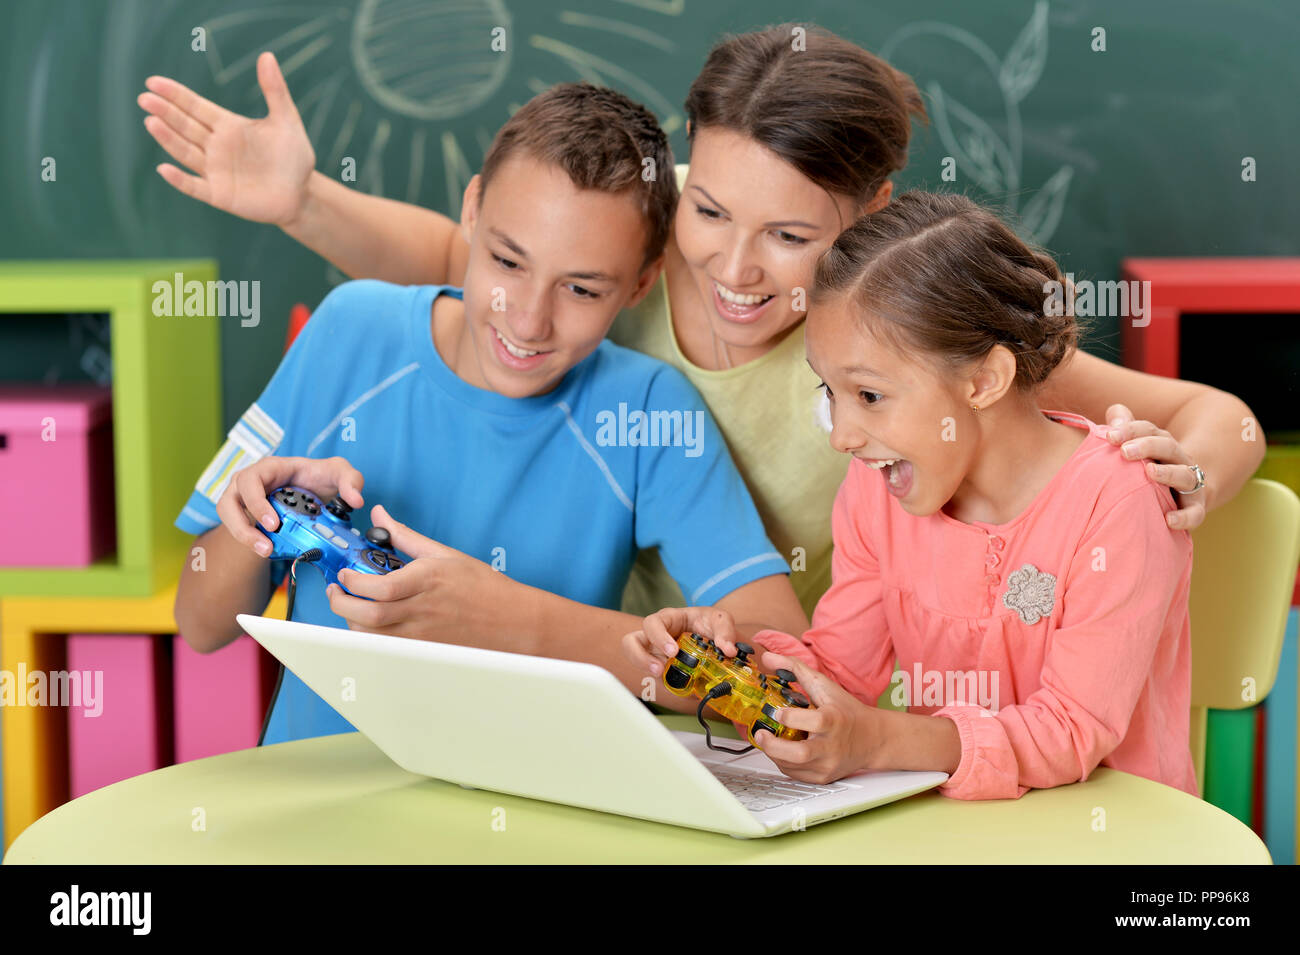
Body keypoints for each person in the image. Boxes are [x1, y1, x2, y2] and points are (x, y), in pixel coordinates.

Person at [140, 24, 1264, 629]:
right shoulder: (623, 233)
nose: (728, 265)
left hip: (787, 685)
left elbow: (1216, 418)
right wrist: (302, 201)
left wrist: (1176, 486)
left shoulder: (906, 321)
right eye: (709, 209)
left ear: (867, 217)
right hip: (598, 669)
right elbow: (464, 258)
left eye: (788, 237)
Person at [171, 83, 806, 744]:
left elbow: (775, 677)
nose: (529, 320)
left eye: (582, 288)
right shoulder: (351, 331)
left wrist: (511, 619)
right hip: (317, 818)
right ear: (472, 210)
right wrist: (258, 522)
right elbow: (201, 622)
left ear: (640, 283)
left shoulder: (647, 410)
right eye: (508, 261)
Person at [627, 192, 1198, 800]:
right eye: (831, 393)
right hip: (949, 835)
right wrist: (727, 660)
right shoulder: (879, 492)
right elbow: (841, 672)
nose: (843, 437)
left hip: (1114, 841)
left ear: (983, 380)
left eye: (869, 396)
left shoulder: (1117, 501)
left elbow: (1070, 729)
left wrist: (878, 740)